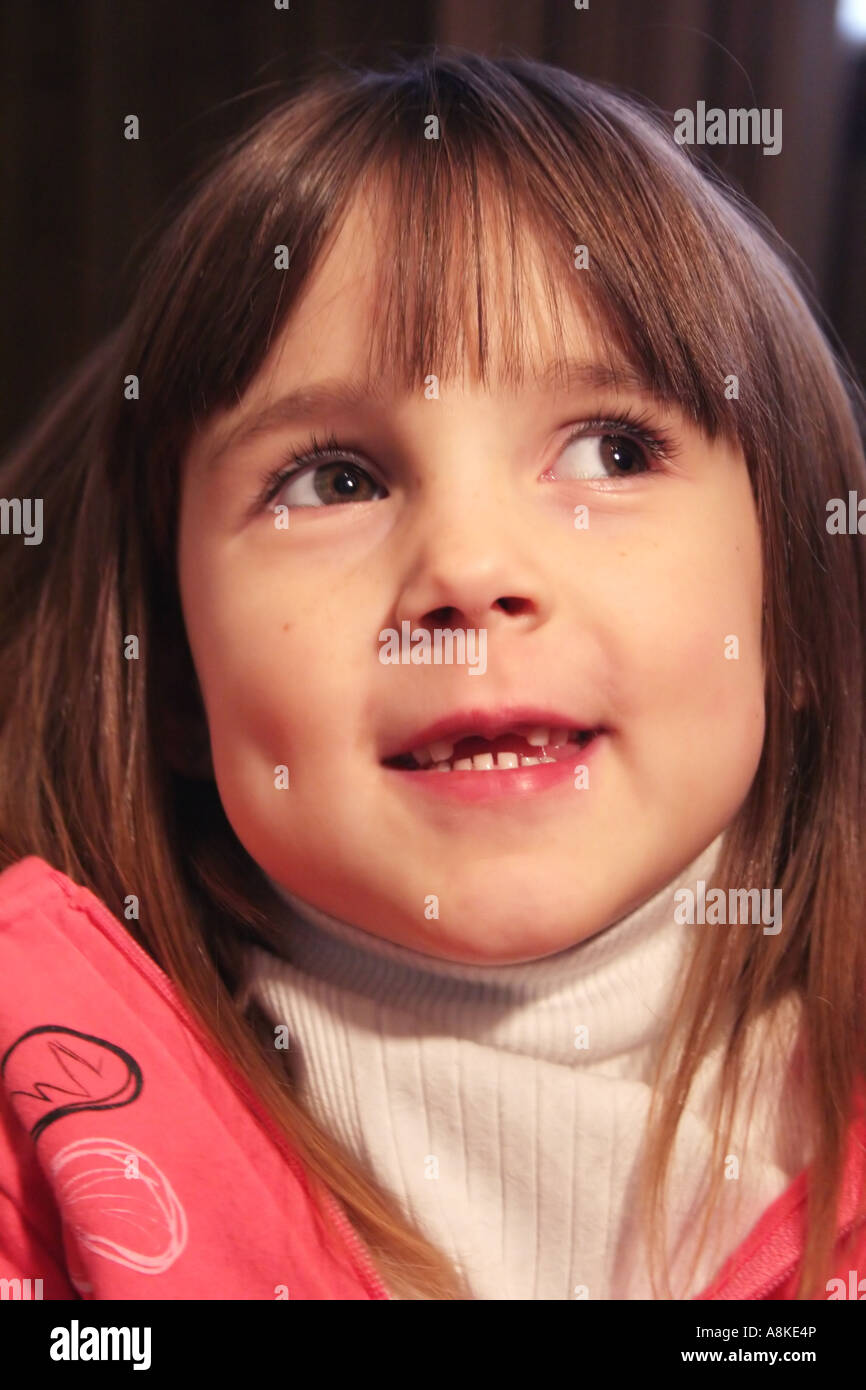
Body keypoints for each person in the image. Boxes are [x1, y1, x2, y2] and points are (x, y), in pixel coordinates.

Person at [1, 48, 864, 1302]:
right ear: (174, 673)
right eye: (332, 479)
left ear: (786, 599)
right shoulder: (34, 1130)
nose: (466, 568)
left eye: (610, 450)